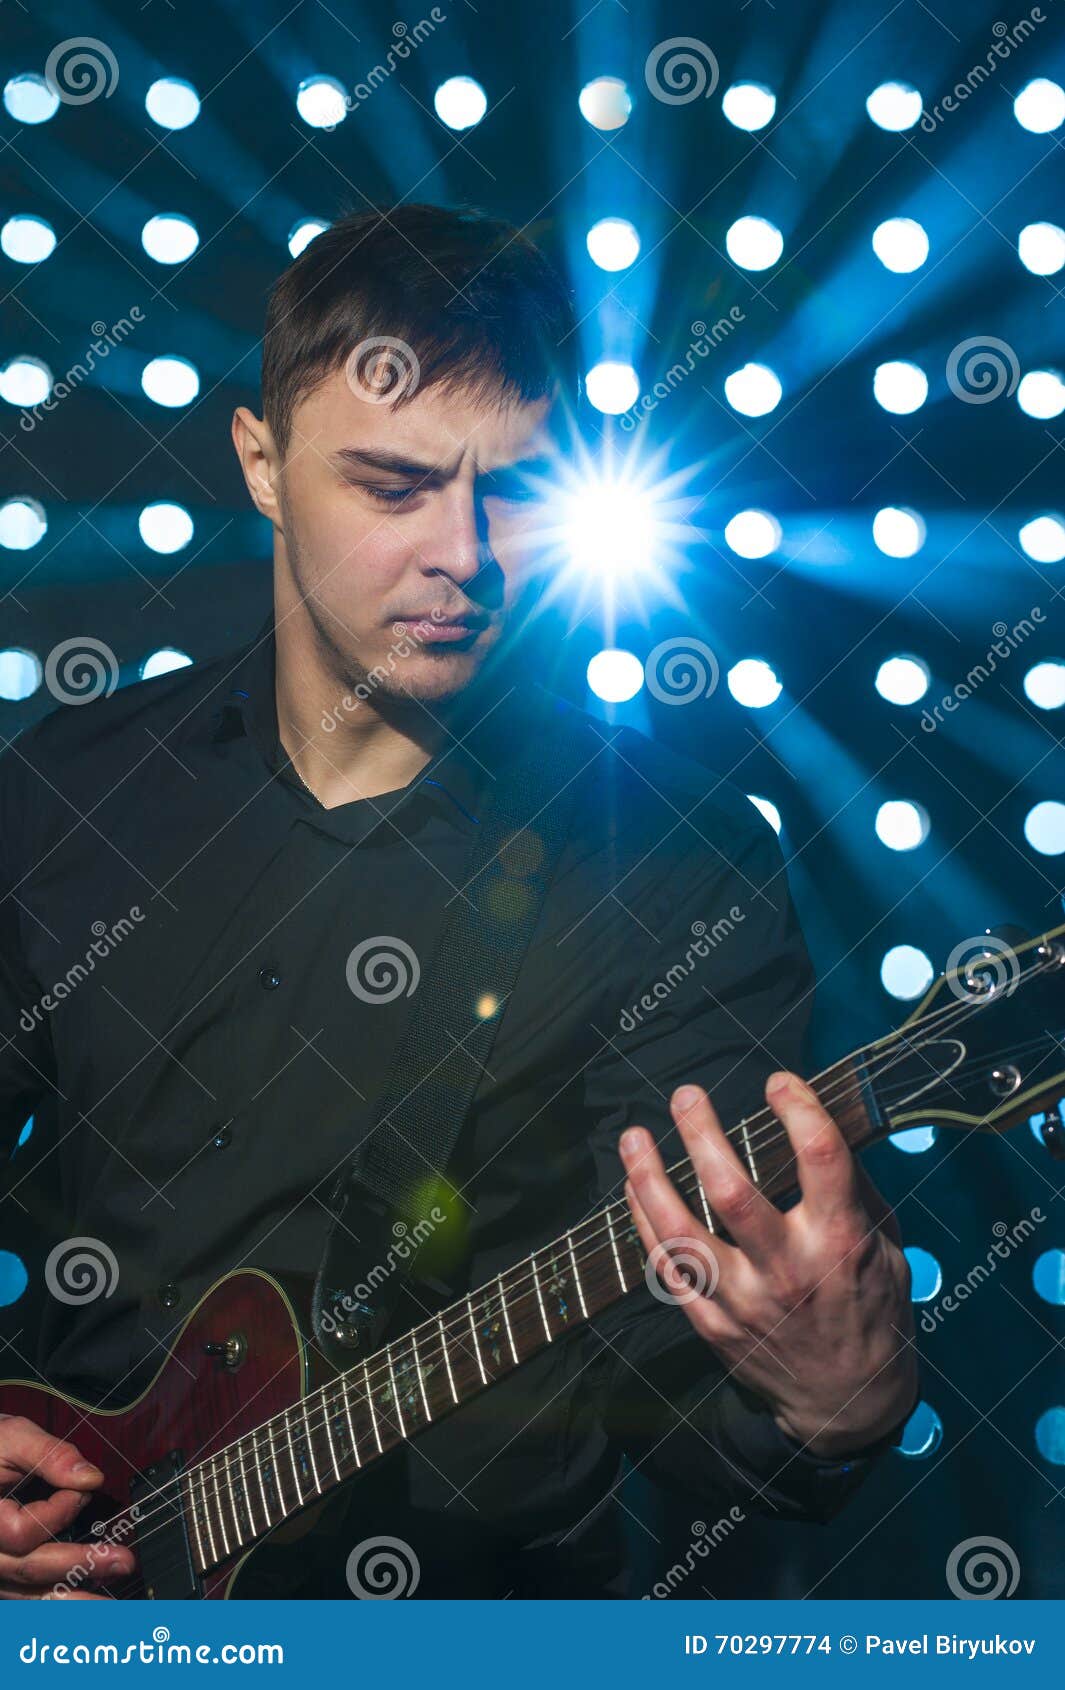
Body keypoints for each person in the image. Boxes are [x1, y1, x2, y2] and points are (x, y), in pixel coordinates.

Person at [0, 204, 917, 1600]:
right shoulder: (63, 794)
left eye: (516, 492)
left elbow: (674, 1381)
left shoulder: (678, 868)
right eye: (391, 485)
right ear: (261, 463)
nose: (466, 554)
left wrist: (829, 1407)